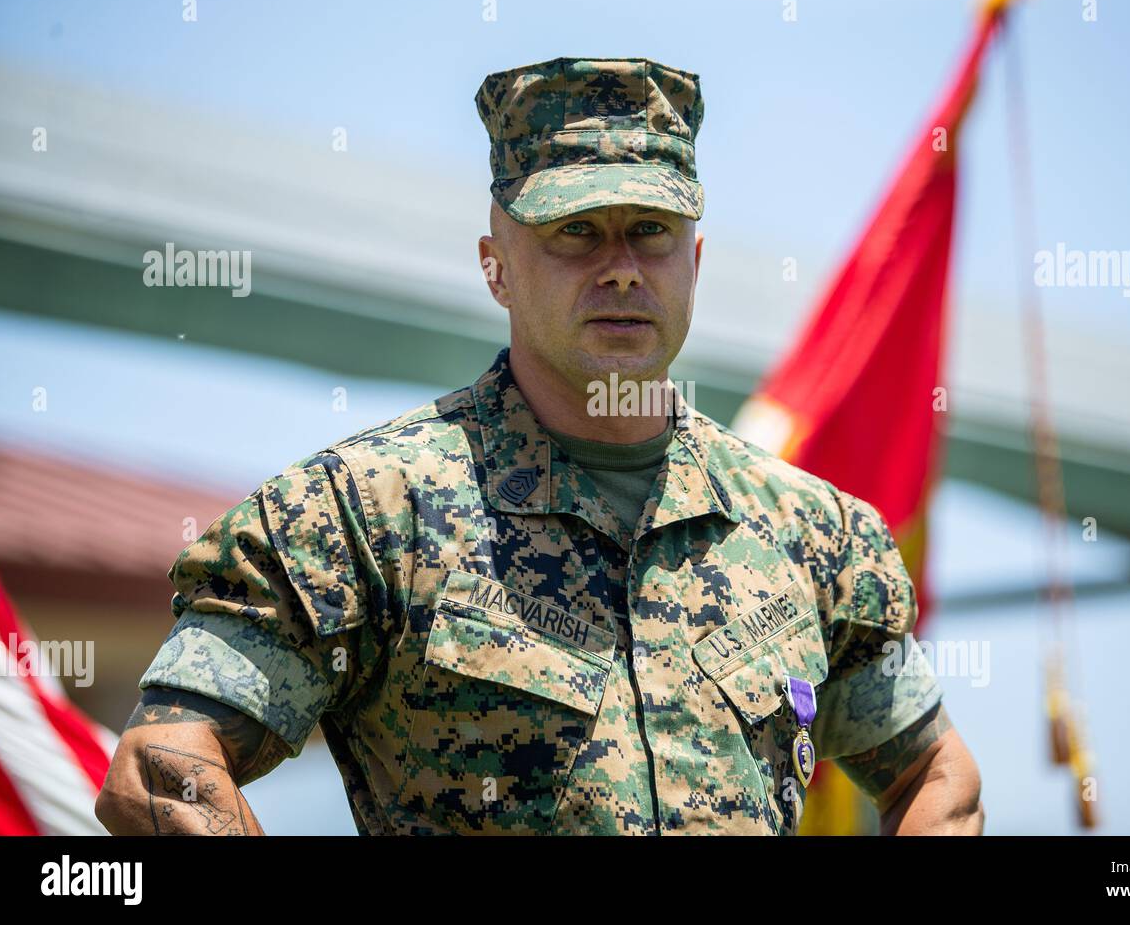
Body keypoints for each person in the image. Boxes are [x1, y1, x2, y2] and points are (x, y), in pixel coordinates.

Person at [96, 57, 983, 835]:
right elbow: (160, 768)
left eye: (651, 231)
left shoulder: (812, 533)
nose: (623, 266)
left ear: (695, 263)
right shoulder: (361, 516)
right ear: (496, 265)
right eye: (575, 231)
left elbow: (936, 776)